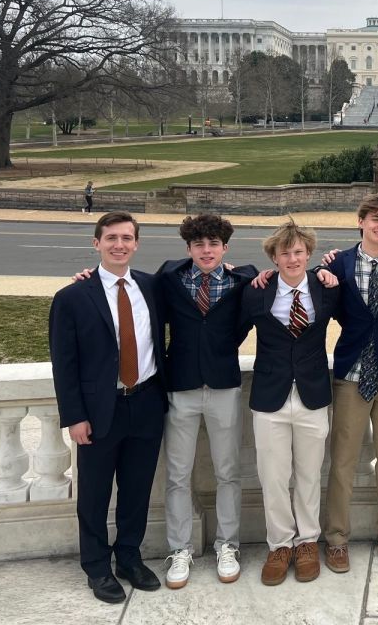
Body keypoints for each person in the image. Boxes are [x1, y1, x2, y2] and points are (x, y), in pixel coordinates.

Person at [49, 211, 166, 605]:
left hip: (147, 403)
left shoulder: (151, 287)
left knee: (136, 491)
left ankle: (128, 558)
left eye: (127, 238)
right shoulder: (72, 297)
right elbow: (64, 363)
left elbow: (200, 271)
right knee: (95, 495)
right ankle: (97, 567)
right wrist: (74, 417)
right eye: (111, 238)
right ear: (96, 243)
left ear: (136, 244)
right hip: (100, 411)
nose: (120, 244)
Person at [157, 214, 258, 589]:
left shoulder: (241, 280)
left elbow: (269, 290)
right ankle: (179, 549)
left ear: (225, 248)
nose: (206, 250)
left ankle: (227, 545)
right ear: (188, 249)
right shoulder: (170, 278)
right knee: (178, 474)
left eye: (213, 244)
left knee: (228, 470)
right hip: (180, 386)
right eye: (199, 244)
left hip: (223, 387)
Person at [237, 219, 340, 586]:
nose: (292, 258)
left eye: (298, 252)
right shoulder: (256, 292)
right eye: (285, 253)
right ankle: (280, 544)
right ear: (274, 258)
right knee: (274, 476)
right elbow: (230, 328)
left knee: (310, 474)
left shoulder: (326, 289)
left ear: (308, 254)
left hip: (313, 395)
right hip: (270, 397)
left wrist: (330, 272)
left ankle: (308, 542)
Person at [321, 192, 378, 572]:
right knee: (342, 460)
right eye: (375, 219)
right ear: (361, 222)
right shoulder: (338, 264)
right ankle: (336, 539)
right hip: (352, 373)